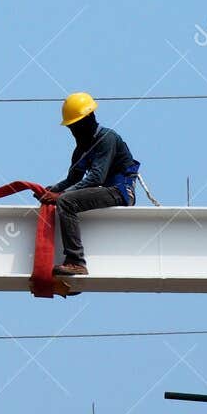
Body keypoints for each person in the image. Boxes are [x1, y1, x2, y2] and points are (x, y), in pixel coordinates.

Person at [45, 92, 138, 278]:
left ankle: (76, 261)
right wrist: (51, 190)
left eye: (75, 126)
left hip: (119, 191)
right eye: (70, 127)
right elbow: (73, 178)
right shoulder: (81, 149)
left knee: (66, 202)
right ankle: (73, 260)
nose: (73, 131)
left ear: (89, 120)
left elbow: (96, 177)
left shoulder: (107, 139)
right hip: (104, 190)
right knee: (64, 198)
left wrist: (60, 196)